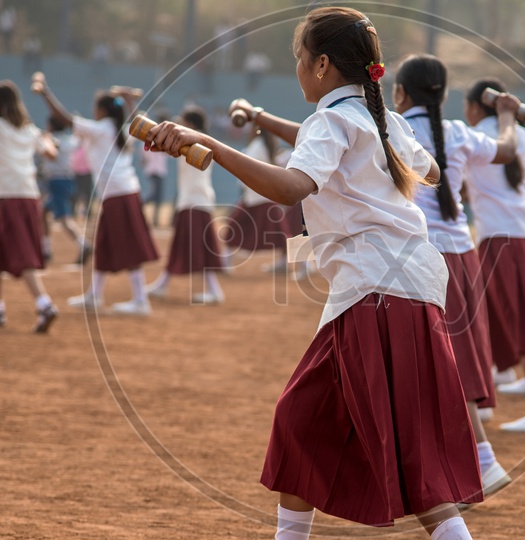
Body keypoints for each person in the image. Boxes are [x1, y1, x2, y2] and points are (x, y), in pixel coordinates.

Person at [145, 7, 493, 538]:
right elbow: (431, 169)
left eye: (300, 59)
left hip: (373, 291)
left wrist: (212, 145)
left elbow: (291, 187)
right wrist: (272, 127)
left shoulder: (334, 122)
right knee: (300, 421)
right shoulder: (383, 121)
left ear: (323, 64)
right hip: (401, 288)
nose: (299, 69)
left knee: (406, 453)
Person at [393, 54, 518, 497]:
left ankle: (479, 458)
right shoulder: (459, 132)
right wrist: (506, 117)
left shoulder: (393, 126)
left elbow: (322, 140)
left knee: (428, 362)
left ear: (401, 94)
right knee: (451, 358)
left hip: (419, 257)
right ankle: (476, 459)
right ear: (443, 96)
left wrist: (261, 119)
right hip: (462, 253)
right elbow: (506, 149)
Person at [463, 77, 525, 435]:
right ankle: (490, 397)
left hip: (501, 238)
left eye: (466, 105)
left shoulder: (481, 135)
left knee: (512, 324)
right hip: (524, 234)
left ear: (476, 106)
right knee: (490, 317)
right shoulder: (517, 132)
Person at [36, 80, 159, 315]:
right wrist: (129, 100)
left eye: (96, 106)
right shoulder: (118, 128)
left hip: (118, 194)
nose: (94, 110)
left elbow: (65, 119)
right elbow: (138, 123)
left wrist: (45, 93)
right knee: (103, 243)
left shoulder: (102, 128)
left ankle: (141, 300)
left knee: (129, 245)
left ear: (103, 110)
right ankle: (94, 295)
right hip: (118, 193)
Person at [146, 106, 224, 304]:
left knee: (197, 250)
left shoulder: (195, 144)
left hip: (193, 202)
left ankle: (214, 292)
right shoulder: (202, 142)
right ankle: (164, 284)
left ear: (190, 125)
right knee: (187, 248)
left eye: (183, 121)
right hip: (195, 201)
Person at [0, 80, 59, 332]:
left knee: (19, 254)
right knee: (16, 252)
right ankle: (8, 309)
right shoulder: (29, 129)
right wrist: (45, 138)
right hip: (28, 196)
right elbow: (51, 154)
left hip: (5, 195)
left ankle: (43, 303)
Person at [223, 128, 301, 275]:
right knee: (283, 235)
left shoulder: (258, 146)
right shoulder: (265, 145)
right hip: (262, 197)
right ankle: (289, 264)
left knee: (234, 227)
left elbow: (247, 170)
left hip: (258, 197)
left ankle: (300, 266)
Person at [41, 116, 92, 265]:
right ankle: (46, 250)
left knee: (63, 218)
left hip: (57, 181)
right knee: (43, 212)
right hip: (65, 181)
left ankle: (84, 245)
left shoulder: (54, 140)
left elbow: (50, 152)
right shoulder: (70, 140)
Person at [140, 113, 169, 227]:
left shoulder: (152, 138)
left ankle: (155, 219)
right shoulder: (162, 139)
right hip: (156, 170)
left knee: (156, 196)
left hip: (154, 170)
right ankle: (140, 208)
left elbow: (143, 158)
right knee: (155, 196)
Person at [71, 140, 94, 219]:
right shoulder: (74, 141)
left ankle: (88, 212)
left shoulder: (89, 142)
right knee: (75, 192)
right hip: (76, 171)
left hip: (87, 171)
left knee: (87, 193)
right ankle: (72, 211)